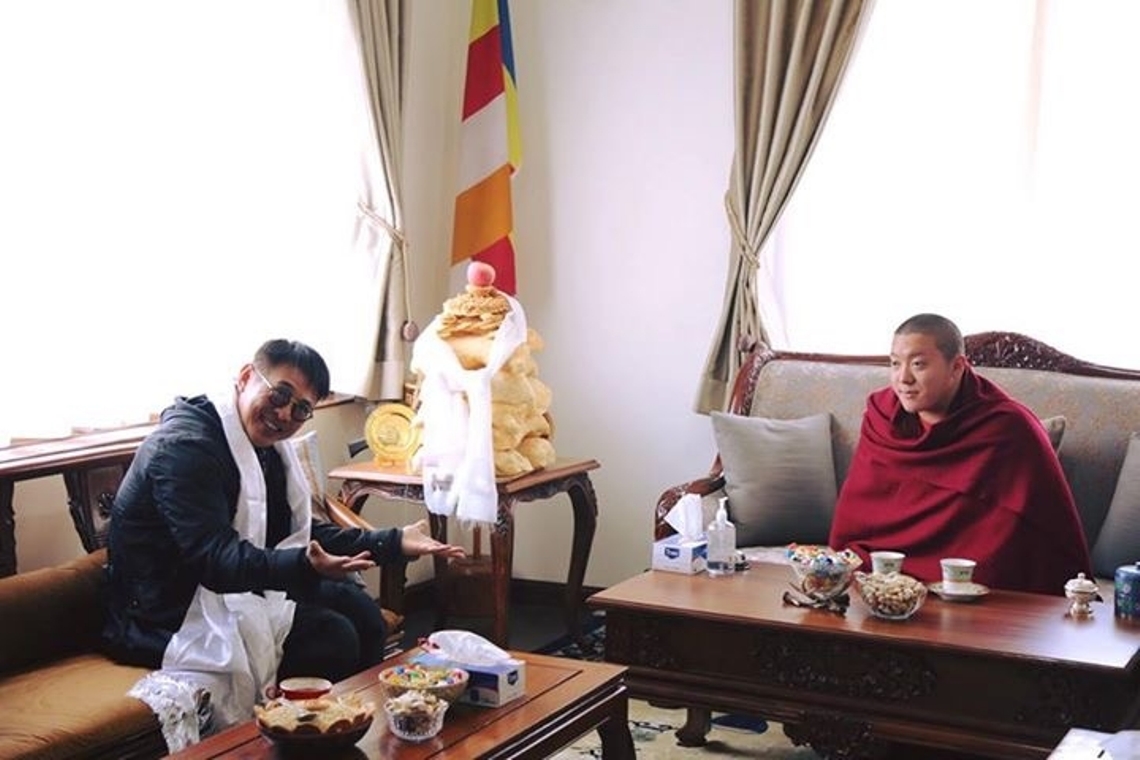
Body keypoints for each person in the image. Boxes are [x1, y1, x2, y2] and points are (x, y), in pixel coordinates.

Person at [101, 338, 465, 728]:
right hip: (166, 612)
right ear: (245, 377)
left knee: (363, 614)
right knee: (333, 636)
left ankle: (352, 733)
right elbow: (215, 560)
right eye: (279, 394)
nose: (284, 414)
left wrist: (393, 541)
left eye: (300, 408)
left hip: (230, 590)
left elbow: (295, 532)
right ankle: (301, 739)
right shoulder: (186, 448)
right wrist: (306, 565)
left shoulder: (264, 446)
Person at [828, 314, 1092, 595]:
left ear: (956, 367)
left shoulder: (1008, 428)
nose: (903, 378)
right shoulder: (882, 416)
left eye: (918, 364)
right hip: (888, 568)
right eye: (895, 363)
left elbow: (1039, 531)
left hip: (967, 576)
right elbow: (858, 514)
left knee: (989, 578)